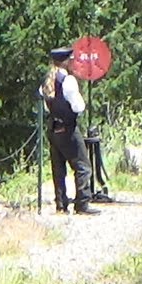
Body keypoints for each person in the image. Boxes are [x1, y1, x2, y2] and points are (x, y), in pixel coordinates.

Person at [39, 47, 99, 215]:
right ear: (66, 61)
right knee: (83, 167)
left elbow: (43, 102)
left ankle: (61, 204)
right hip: (68, 129)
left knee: (58, 169)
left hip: (53, 128)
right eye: (71, 59)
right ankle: (82, 204)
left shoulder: (48, 80)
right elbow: (78, 106)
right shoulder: (68, 81)